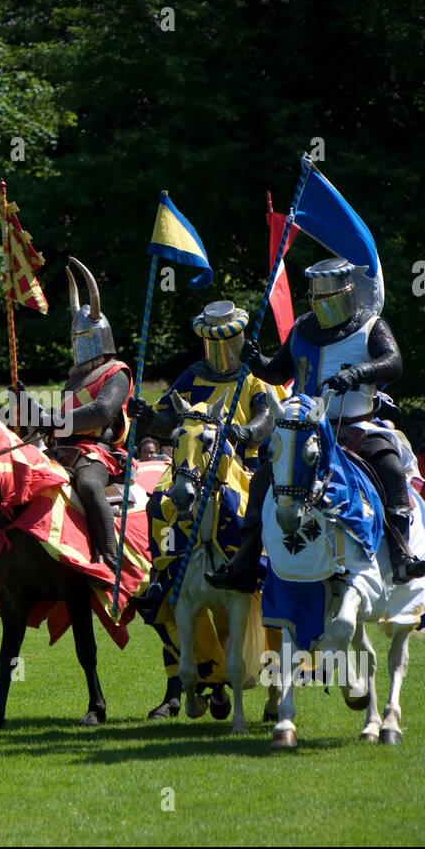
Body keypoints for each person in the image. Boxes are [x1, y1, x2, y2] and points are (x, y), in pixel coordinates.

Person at [209, 257, 425, 590]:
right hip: (306, 431)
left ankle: (400, 556)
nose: (319, 303)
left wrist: (357, 373)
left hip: (357, 428)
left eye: (326, 297)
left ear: (346, 293)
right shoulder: (302, 329)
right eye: (315, 296)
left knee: (392, 470)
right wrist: (255, 361)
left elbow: (393, 363)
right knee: (263, 480)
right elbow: (278, 372)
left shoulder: (371, 325)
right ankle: (244, 565)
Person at [124, 300, 279, 718]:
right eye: (215, 344)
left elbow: (266, 421)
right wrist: (144, 416)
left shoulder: (254, 378)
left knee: (242, 505)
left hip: (237, 463)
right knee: (158, 502)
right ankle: (165, 573)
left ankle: (253, 567)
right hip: (190, 467)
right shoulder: (194, 376)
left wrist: (245, 431)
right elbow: (166, 420)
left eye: (228, 343)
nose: (223, 353)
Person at [18, 258, 131, 572]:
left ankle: (110, 558)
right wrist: (25, 402)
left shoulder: (116, 373)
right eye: (75, 338)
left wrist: (52, 419)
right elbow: (51, 421)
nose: (79, 344)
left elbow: (101, 412)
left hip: (99, 453)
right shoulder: (74, 378)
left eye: (83, 337)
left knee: (89, 485)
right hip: (62, 450)